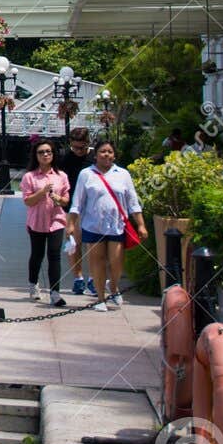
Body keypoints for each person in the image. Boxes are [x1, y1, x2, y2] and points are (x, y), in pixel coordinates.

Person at [67, 138, 148, 311]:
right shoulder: (86, 174)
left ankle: (113, 287)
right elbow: (77, 202)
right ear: (95, 155)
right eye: (103, 151)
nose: (106, 155)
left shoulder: (123, 174)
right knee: (97, 262)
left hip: (117, 226)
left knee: (116, 262)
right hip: (93, 225)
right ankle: (100, 299)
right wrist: (71, 224)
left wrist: (140, 224)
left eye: (110, 152)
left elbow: (133, 202)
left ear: (114, 155)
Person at [20, 139, 71, 307]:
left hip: (56, 220)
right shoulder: (30, 177)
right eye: (41, 152)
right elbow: (28, 201)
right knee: (37, 254)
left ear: (53, 154)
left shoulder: (61, 176)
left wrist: (58, 198)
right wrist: (42, 192)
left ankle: (55, 293)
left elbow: (66, 200)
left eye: (48, 151)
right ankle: (33, 283)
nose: (45, 154)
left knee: (54, 255)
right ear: (36, 155)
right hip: (37, 221)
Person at [57, 128, 95, 295]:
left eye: (82, 147)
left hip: (94, 206)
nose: (78, 151)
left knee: (94, 245)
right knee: (73, 243)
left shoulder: (95, 157)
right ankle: (78, 278)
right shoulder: (66, 158)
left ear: (88, 143)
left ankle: (94, 278)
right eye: (75, 147)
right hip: (72, 206)